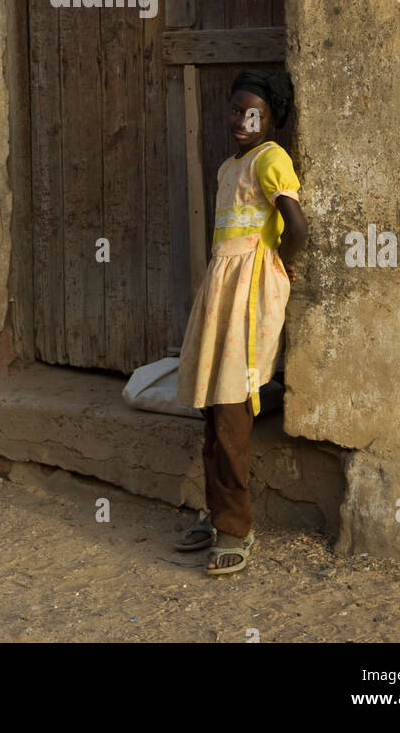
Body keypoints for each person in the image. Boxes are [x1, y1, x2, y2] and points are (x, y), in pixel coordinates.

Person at [175, 69, 307, 575]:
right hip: (222, 288)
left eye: (252, 111)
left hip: (251, 289)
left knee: (231, 408)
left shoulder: (271, 158)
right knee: (212, 408)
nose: (241, 119)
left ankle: (235, 529)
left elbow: (294, 224)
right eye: (234, 109)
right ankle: (216, 515)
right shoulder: (229, 168)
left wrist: (282, 264)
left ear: (270, 117)